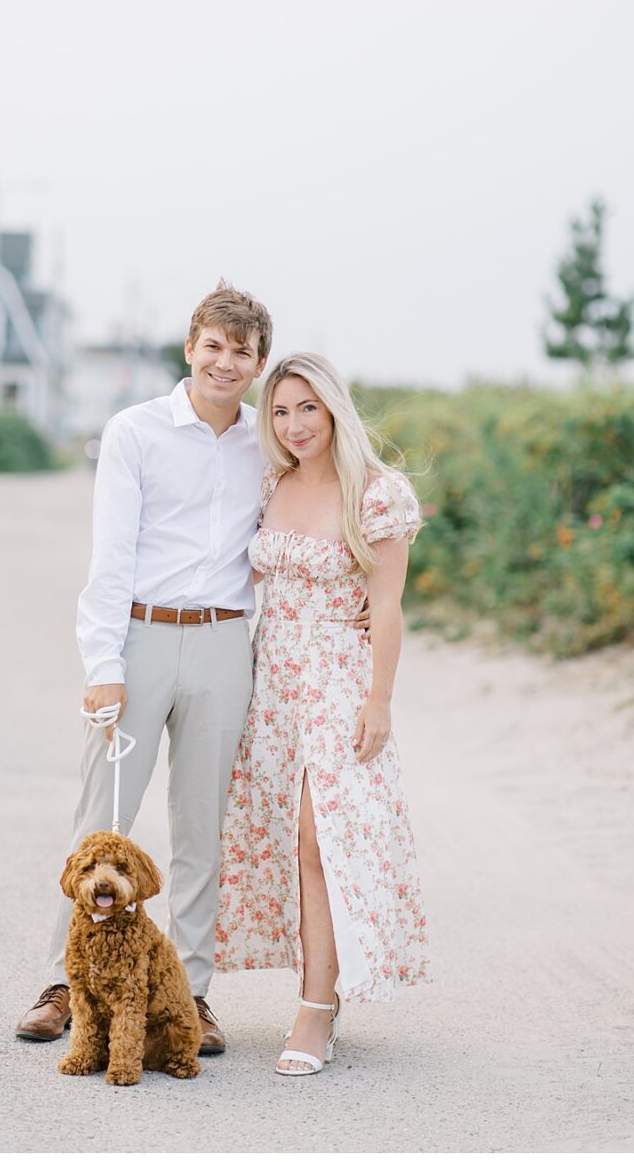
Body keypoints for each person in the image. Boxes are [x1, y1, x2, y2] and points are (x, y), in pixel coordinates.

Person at [16, 281, 274, 1054]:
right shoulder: (135, 432)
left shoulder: (271, 440)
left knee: (203, 827)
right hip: (140, 637)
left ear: (259, 362)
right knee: (102, 823)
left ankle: (190, 995)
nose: (226, 363)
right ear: (191, 345)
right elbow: (111, 555)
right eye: (215, 346)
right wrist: (104, 662)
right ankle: (63, 984)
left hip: (226, 642)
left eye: (243, 351)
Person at [214, 351, 433, 1076]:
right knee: (281, 836)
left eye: (308, 407)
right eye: (280, 411)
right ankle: (315, 987)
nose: (295, 423)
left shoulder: (377, 492)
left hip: (340, 677)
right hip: (271, 681)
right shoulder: (271, 483)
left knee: (319, 836)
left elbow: (389, 604)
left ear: (334, 408)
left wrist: (380, 699)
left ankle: (315, 1010)